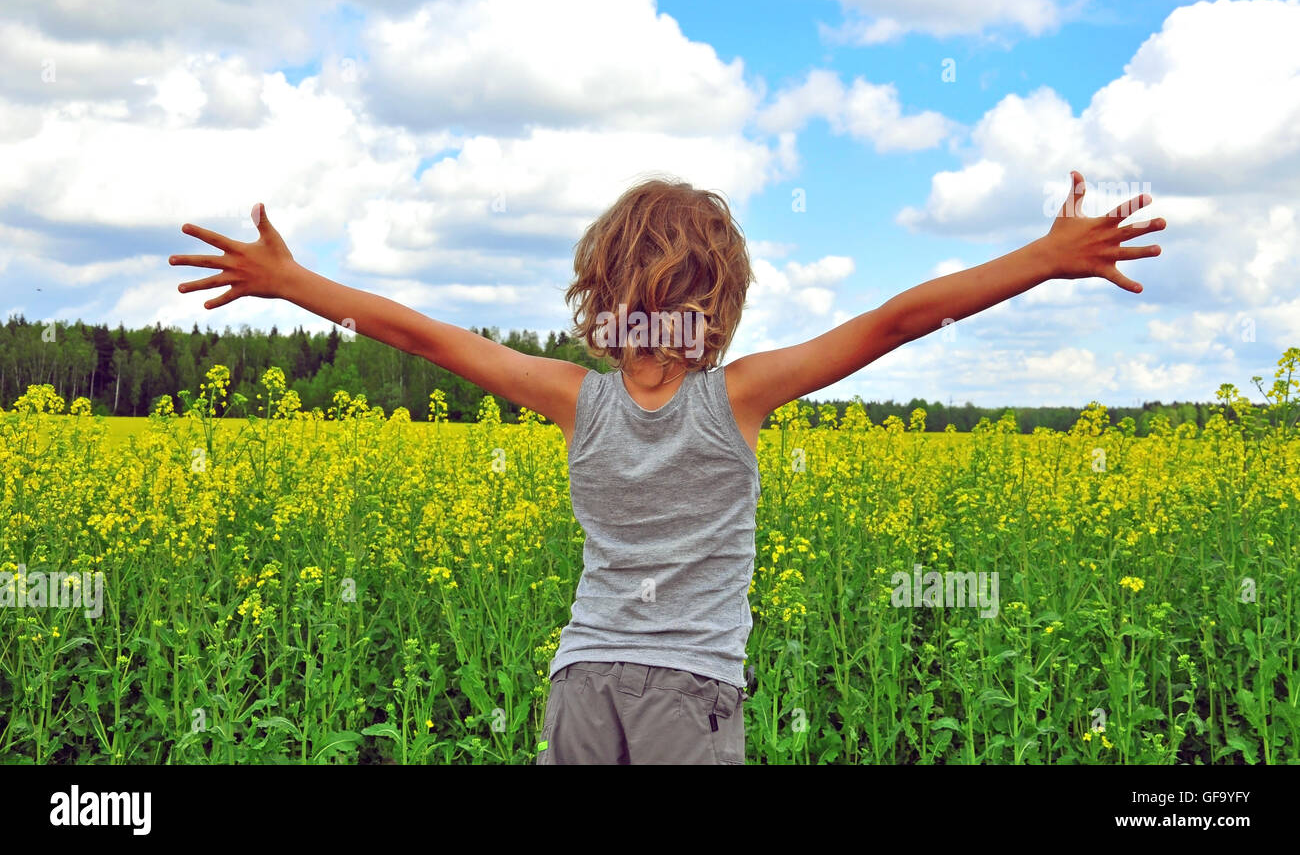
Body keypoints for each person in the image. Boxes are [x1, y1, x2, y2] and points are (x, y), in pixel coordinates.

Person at [169, 170, 1163, 765]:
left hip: (581, 680)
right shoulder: (741, 395)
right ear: (721, 303)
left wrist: (291, 281)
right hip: (688, 690)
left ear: (596, 291)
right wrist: (1043, 254)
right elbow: (900, 318)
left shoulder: (571, 395)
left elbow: (423, 337)